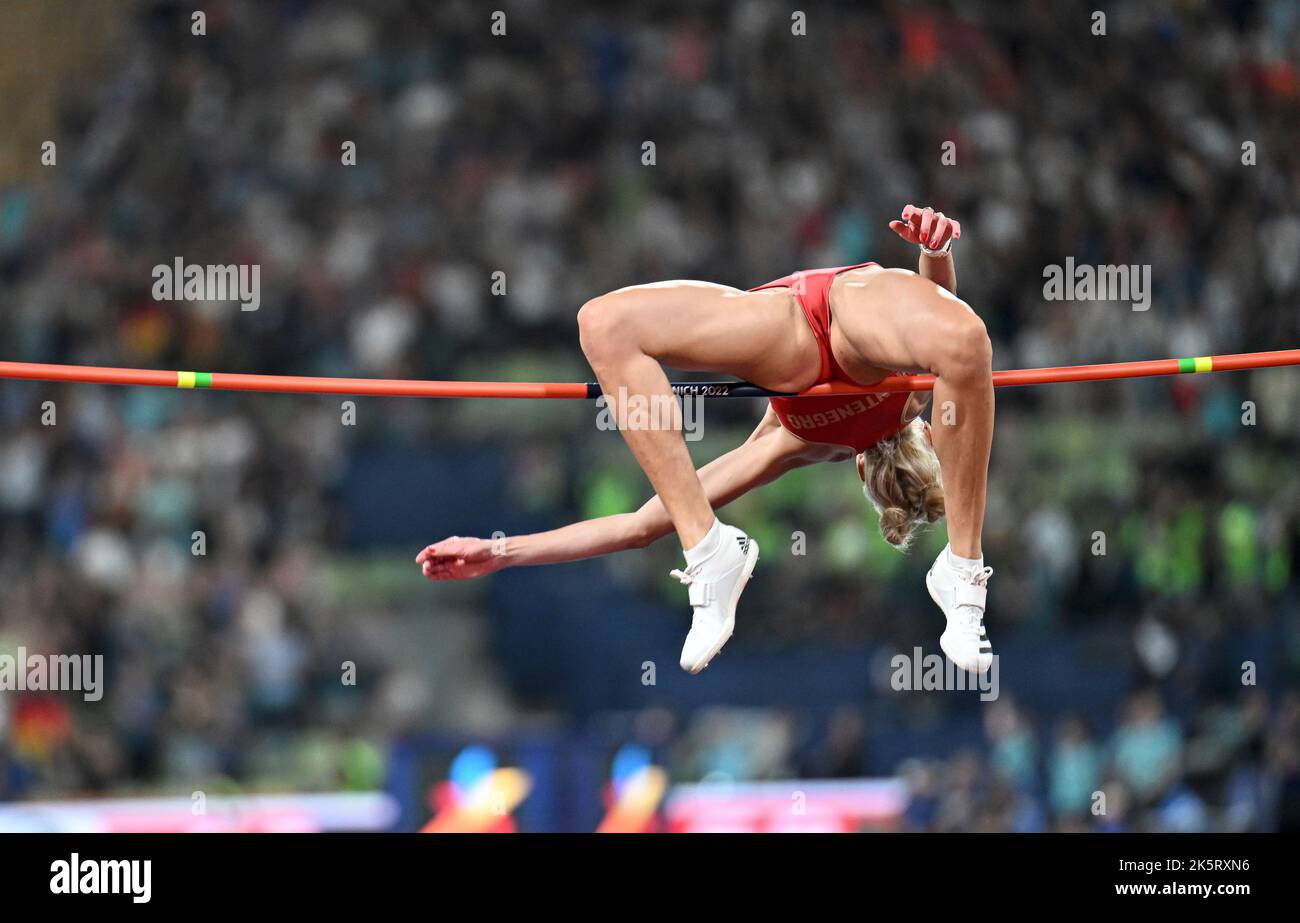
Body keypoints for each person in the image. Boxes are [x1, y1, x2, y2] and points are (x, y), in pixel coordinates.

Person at [418, 205, 995, 676]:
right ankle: (962, 570)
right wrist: (497, 552)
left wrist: (936, 254)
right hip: (818, 327)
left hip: (796, 327)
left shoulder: (803, 438)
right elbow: (638, 528)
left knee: (604, 324)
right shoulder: (866, 419)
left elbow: (642, 524)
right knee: (965, 345)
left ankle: (710, 550)